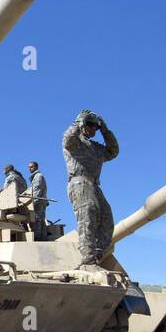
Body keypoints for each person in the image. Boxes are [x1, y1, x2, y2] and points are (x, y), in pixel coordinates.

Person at [62, 110, 119, 267]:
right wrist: (77, 122)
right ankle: (87, 259)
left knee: (107, 219)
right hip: (79, 182)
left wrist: (105, 131)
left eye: (96, 126)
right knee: (87, 215)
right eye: (90, 124)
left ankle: (96, 255)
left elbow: (113, 151)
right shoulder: (74, 143)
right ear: (82, 125)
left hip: (94, 184)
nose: (93, 128)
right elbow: (67, 139)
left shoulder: (96, 148)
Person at [27, 161, 49, 239]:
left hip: (38, 201)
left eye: (31, 167)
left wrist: (33, 202)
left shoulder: (38, 176)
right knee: (40, 220)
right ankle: (42, 237)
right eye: (29, 167)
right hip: (40, 201)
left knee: (37, 220)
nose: (30, 169)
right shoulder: (36, 177)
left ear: (36, 167)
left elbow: (37, 191)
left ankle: (38, 237)